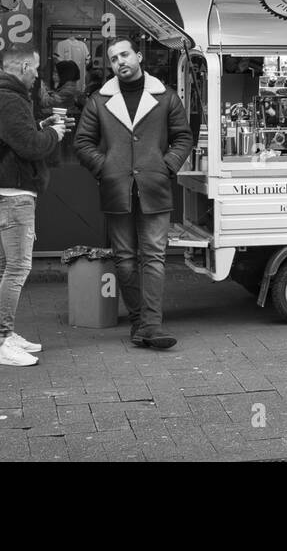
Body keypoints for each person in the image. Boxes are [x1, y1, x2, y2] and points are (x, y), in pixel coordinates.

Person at [75, 37, 193, 350]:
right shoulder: (99, 100)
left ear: (138, 56)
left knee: (154, 257)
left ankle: (151, 325)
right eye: (114, 59)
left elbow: (183, 138)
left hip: (155, 187)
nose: (120, 62)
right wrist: (105, 168)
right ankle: (141, 322)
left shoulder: (165, 97)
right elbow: (82, 143)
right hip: (117, 188)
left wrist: (165, 167)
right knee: (125, 259)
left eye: (125, 55)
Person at [0, 44, 68, 366]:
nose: (38, 74)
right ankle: (1, 342)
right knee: (17, 268)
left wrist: (39, 128)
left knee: (3, 267)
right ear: (25, 67)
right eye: (36, 68)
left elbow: (14, 140)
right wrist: (53, 134)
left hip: (2, 192)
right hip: (15, 195)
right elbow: (29, 147)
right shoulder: (11, 100)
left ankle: (4, 335)